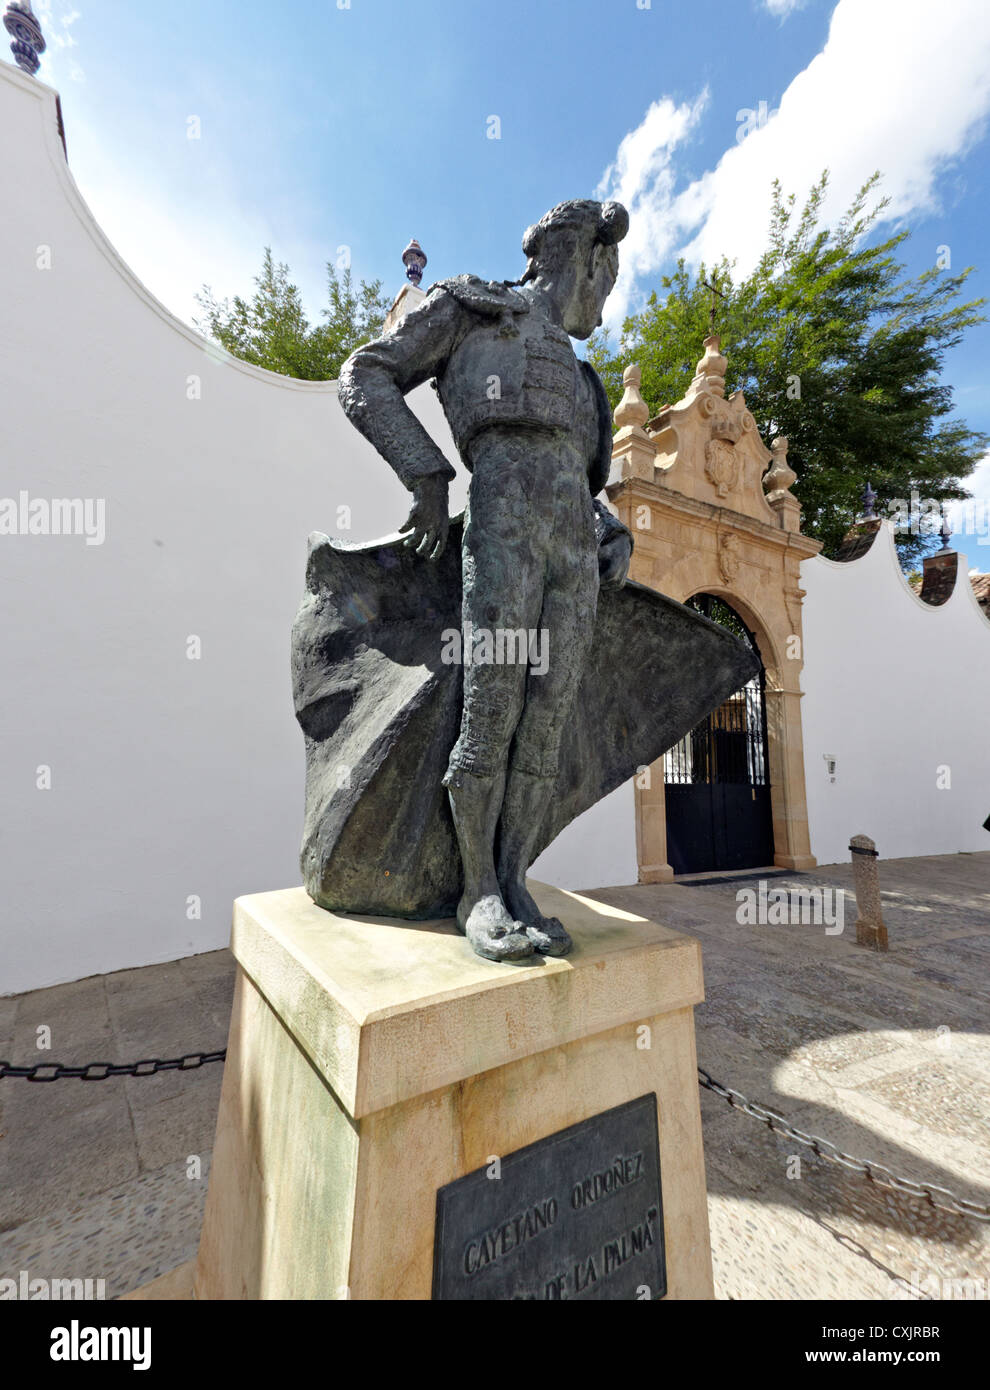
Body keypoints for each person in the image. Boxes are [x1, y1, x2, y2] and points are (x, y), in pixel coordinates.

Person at [338, 199, 631, 961]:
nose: (601, 307)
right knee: (492, 711)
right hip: (501, 522)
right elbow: (366, 373)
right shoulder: (472, 310)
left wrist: (613, 532)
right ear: (586, 263)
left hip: (571, 547)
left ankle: (515, 877)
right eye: (605, 284)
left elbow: (583, 480)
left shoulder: (581, 374)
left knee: (547, 723)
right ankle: (477, 888)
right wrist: (427, 476)